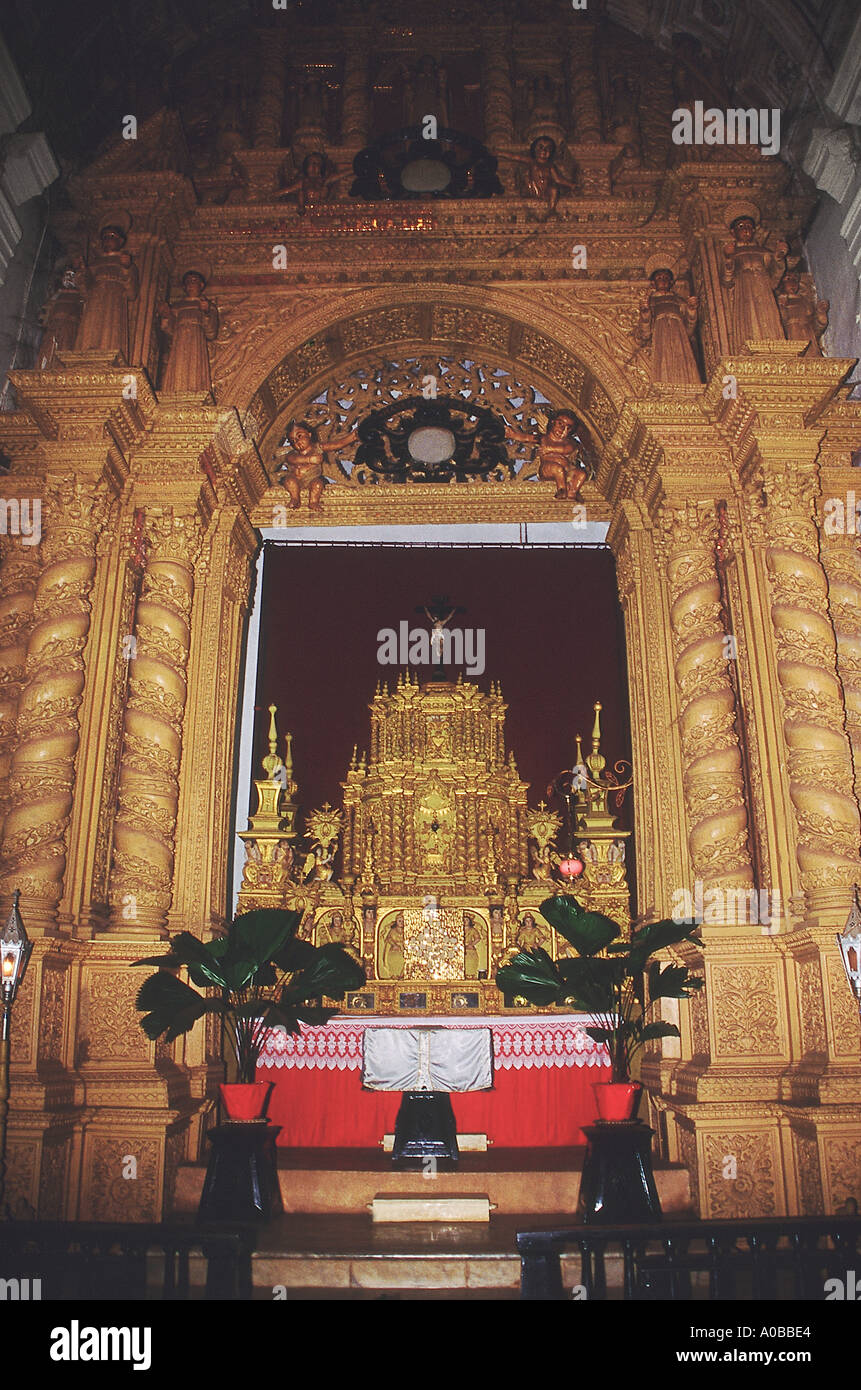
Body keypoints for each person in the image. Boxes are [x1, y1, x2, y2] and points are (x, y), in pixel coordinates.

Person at [721, 213, 788, 347]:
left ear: (753, 230)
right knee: (747, 317)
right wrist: (728, 259)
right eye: (741, 226)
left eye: (749, 226)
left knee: (767, 315)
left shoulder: (762, 251)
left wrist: (779, 257)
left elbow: (776, 274)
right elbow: (727, 281)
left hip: (763, 288)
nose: (745, 230)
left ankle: (774, 343)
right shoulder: (733, 253)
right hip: (744, 289)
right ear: (733, 232)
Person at [77, 222, 139, 356]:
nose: (108, 240)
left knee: (110, 332)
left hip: (114, 302)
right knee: (90, 331)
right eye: (104, 237)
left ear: (120, 241)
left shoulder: (126, 263)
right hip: (95, 301)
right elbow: (84, 291)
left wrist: (126, 269)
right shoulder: (95, 263)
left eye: (112, 236)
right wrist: (82, 272)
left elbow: (132, 293)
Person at [273, 420, 358, 510]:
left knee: (317, 485)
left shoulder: (317, 448)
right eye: (293, 440)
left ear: (309, 434)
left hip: (311, 478)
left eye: (299, 436)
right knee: (289, 481)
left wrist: (352, 437)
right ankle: (295, 498)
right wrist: (309, 459)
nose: (297, 441)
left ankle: (313, 502)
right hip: (295, 478)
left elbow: (336, 445)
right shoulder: (293, 454)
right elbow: (291, 459)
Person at [636, 267, 701, 385]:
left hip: (679, 338)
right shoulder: (651, 302)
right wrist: (645, 313)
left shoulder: (679, 301)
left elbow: (689, 330)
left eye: (666, 278)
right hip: (661, 336)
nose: (663, 280)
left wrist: (691, 310)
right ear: (653, 283)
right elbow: (645, 334)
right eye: (659, 278)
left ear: (671, 282)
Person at [158, 269, 219, 393]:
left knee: (195, 367)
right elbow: (169, 330)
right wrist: (166, 315)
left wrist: (206, 313)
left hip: (196, 341)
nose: (191, 284)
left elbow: (211, 332)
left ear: (201, 285)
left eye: (194, 281)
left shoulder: (207, 306)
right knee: (178, 368)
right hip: (179, 343)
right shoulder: (177, 307)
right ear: (184, 287)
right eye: (188, 282)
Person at [505, 409, 587, 500]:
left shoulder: (568, 442)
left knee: (581, 474)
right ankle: (561, 490)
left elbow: (567, 449)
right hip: (547, 469)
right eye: (560, 424)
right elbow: (527, 438)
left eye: (568, 428)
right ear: (553, 422)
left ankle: (573, 492)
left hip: (567, 470)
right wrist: (513, 435)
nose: (563, 429)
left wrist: (549, 449)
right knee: (558, 469)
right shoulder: (543, 439)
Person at [512, 137, 577, 214]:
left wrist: (571, 185)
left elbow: (557, 179)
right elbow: (515, 157)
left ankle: (552, 209)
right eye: (540, 147)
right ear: (535, 149)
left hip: (546, 190)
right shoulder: (532, 162)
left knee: (554, 189)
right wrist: (500, 153)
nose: (544, 150)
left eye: (548, 148)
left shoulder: (550, 166)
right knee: (526, 178)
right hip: (533, 188)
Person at [777, 270, 828, 356]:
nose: (793, 283)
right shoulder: (776, 302)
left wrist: (821, 313)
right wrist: (782, 307)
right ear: (780, 283)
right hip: (791, 341)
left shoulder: (804, 301)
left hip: (809, 342)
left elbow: (816, 329)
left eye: (796, 280)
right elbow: (777, 326)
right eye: (788, 279)